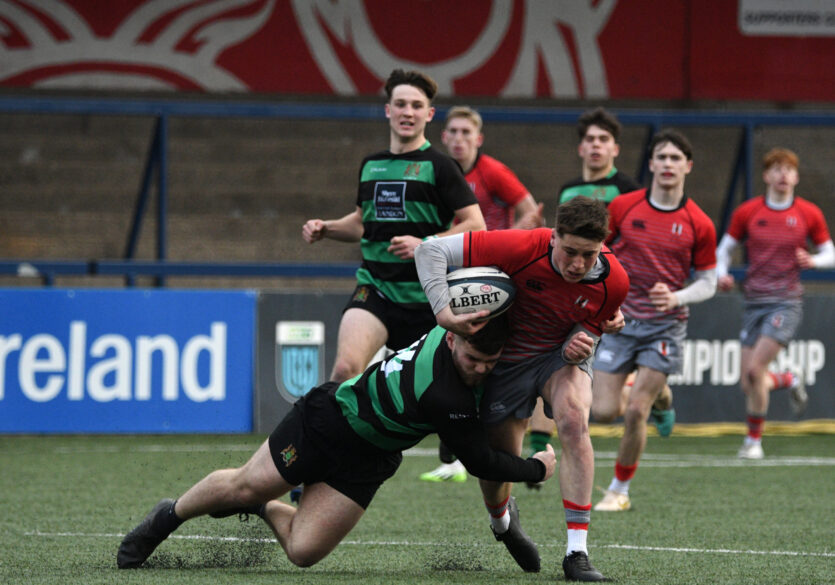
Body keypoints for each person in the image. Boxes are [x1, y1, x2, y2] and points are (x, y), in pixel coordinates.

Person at [117, 315, 558, 570]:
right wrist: (537, 469)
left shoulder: (451, 321)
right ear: (452, 337)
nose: (480, 369)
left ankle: (265, 506)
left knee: (303, 553)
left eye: (490, 363)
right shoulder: (445, 394)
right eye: (473, 359)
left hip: (370, 457)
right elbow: (480, 461)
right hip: (325, 424)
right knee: (242, 485)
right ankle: (164, 521)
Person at [414, 195, 629, 582]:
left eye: (589, 254)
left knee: (575, 419)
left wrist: (584, 340)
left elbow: (591, 327)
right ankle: (502, 523)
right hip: (506, 362)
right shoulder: (521, 245)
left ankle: (576, 553)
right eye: (570, 251)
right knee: (499, 465)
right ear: (552, 238)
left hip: (557, 359)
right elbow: (429, 251)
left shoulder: (616, 281)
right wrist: (442, 310)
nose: (578, 264)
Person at [301, 69, 485, 385]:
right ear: (388, 110)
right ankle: (324, 434)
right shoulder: (371, 165)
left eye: (416, 106)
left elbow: (476, 225)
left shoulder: (440, 167)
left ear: (429, 114)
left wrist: (425, 244)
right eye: (400, 104)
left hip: (427, 298)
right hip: (376, 288)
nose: (407, 112)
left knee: (446, 391)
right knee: (345, 370)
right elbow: (360, 223)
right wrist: (327, 228)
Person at [591, 129, 717, 512]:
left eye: (675, 158)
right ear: (650, 164)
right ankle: (664, 398)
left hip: (666, 326)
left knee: (635, 411)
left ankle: (619, 491)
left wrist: (677, 296)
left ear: (688, 167)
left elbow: (709, 281)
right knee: (603, 411)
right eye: (661, 157)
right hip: (621, 322)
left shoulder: (699, 222)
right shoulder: (624, 207)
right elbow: (599, 252)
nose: (667, 164)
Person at [420, 105, 545, 484]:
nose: (458, 138)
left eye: (465, 132)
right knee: (451, 350)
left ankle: (501, 441)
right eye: (452, 131)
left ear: (478, 139)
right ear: (443, 136)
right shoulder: (439, 171)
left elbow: (531, 211)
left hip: (491, 279)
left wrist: (502, 246)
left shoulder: (491, 171)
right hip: (452, 271)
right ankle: (452, 436)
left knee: (491, 356)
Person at [526, 107, 646, 468]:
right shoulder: (569, 189)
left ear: (615, 149)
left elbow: (638, 240)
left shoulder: (626, 189)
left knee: (606, 409)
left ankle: (652, 391)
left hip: (614, 292)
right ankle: (538, 446)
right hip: (575, 291)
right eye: (590, 139)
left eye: (603, 140)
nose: (596, 145)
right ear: (580, 148)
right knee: (552, 355)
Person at [716, 147, 834, 460]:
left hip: (786, 302)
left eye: (789, 169)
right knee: (748, 382)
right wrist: (721, 273)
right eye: (777, 169)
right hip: (753, 302)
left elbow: (830, 253)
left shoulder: (808, 213)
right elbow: (723, 249)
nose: (783, 175)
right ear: (766, 175)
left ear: (796, 177)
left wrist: (814, 260)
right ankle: (788, 379)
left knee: (756, 370)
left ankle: (753, 442)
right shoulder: (748, 212)